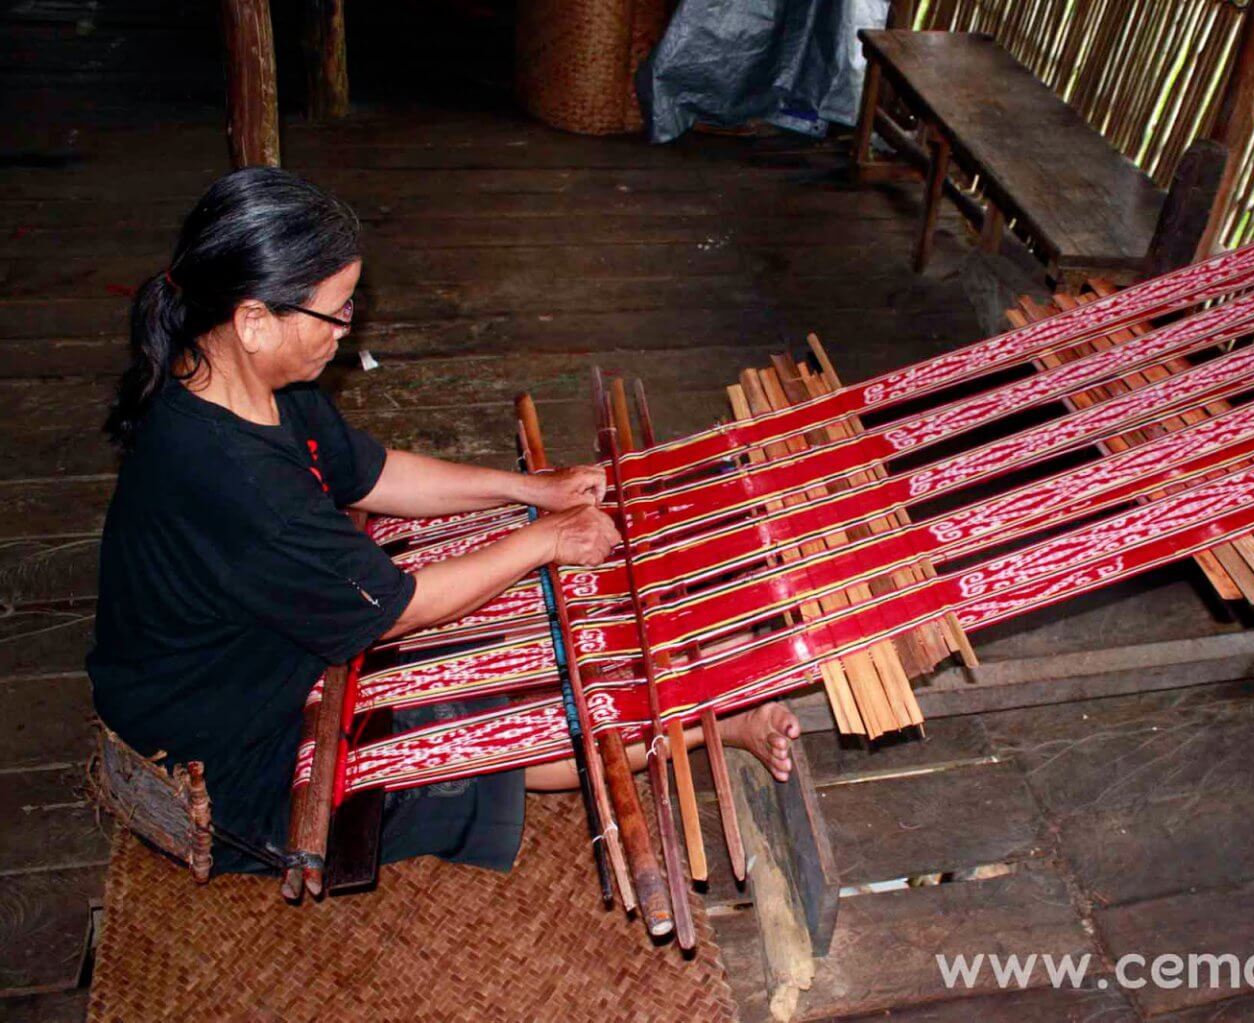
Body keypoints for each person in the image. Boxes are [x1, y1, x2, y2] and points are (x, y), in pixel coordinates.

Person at [87, 166, 799, 877]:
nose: (345, 330)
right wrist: (544, 537)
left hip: (256, 658)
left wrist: (530, 490)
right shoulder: (238, 479)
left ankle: (699, 679)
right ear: (253, 320)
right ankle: (718, 716)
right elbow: (400, 607)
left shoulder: (236, 380)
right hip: (237, 756)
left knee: (503, 622)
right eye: (336, 312)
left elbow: (371, 473)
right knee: (477, 725)